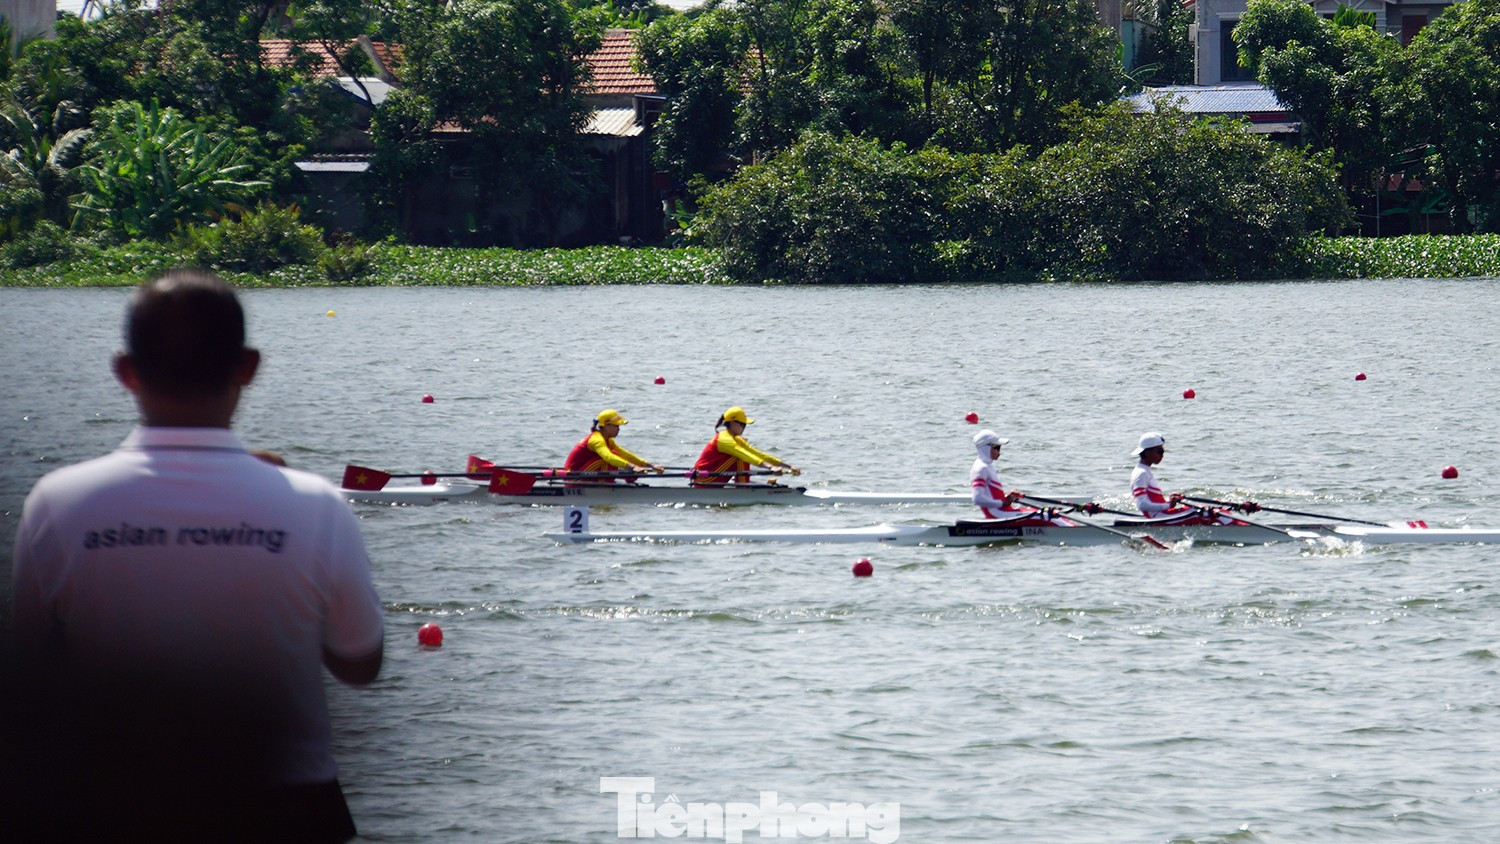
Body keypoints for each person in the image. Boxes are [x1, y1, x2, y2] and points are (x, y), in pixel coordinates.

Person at [4, 270, 384, 842]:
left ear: (126, 371)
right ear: (247, 367)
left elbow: (36, 678)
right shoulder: (316, 506)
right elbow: (360, 665)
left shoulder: (57, 504)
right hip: (285, 810)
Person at [691, 406, 800, 486]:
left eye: (745, 425)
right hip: (703, 479)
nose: (744, 427)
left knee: (745, 455)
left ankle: (742, 484)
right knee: (740, 457)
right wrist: (770, 467)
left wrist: (788, 466)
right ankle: (743, 488)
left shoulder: (737, 439)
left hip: (713, 476)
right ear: (732, 423)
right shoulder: (724, 439)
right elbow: (745, 455)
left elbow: (758, 454)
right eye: (742, 424)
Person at [563, 409, 665, 484]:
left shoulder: (608, 440)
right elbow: (609, 457)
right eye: (616, 425)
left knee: (617, 454)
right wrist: (633, 467)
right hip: (573, 477)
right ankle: (603, 487)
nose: (618, 429)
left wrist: (650, 466)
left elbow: (625, 455)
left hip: (584, 472)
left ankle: (622, 479)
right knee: (608, 458)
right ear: (606, 425)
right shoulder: (596, 440)